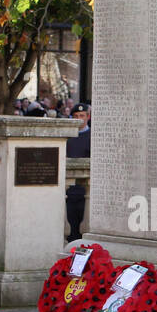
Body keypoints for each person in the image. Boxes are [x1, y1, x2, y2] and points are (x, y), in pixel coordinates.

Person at [64, 102, 91, 240]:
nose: (79, 118)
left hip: (84, 191)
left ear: (88, 116)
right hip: (68, 191)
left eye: (82, 115)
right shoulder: (67, 136)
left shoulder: (93, 136)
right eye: (76, 116)